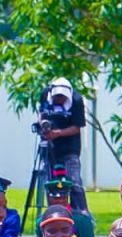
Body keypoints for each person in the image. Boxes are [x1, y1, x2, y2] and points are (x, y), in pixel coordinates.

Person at [37, 77, 88, 212]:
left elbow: (77, 127)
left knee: (74, 183)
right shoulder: (44, 95)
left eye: (62, 97)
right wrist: (43, 124)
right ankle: (53, 211)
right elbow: (41, 113)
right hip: (49, 147)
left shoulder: (76, 100)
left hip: (70, 147)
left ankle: (81, 213)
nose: (59, 99)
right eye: (57, 96)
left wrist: (57, 133)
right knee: (51, 183)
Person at [35, 165, 96, 237]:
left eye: (63, 196)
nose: (59, 200)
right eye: (55, 197)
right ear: (48, 196)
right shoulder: (40, 221)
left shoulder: (81, 220)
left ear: (68, 196)